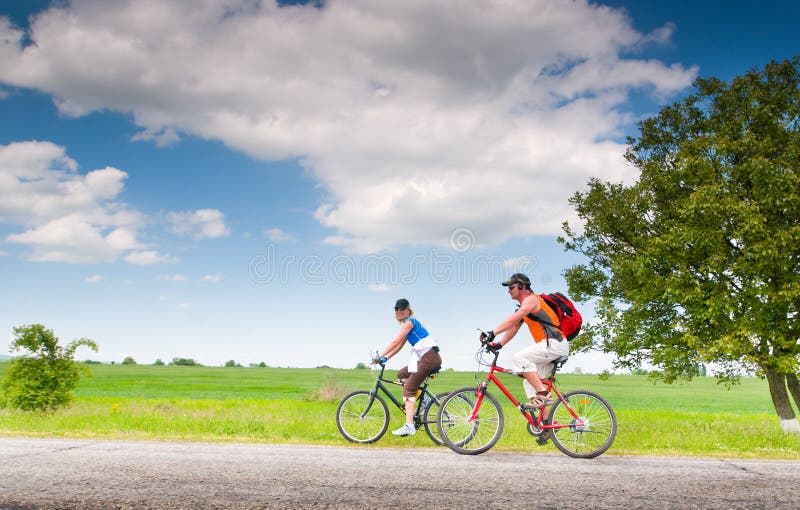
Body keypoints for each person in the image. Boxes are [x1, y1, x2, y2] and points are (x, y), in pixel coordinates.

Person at [482, 273, 569, 411]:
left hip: (554, 344)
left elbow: (514, 317)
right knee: (529, 382)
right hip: (551, 346)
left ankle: (544, 395)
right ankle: (545, 425)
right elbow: (514, 326)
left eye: (511, 287)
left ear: (522, 286)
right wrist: (499, 343)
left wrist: (493, 332)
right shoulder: (525, 305)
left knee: (520, 358)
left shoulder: (532, 300)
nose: (508, 291)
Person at [372, 298, 442, 437]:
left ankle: (409, 426)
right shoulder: (408, 324)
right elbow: (399, 346)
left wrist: (380, 356)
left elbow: (395, 341)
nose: (399, 311)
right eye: (396, 309)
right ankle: (424, 402)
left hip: (429, 358)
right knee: (402, 374)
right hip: (426, 358)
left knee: (409, 388)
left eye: (402, 309)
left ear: (408, 310)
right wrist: (386, 358)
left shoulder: (410, 322)